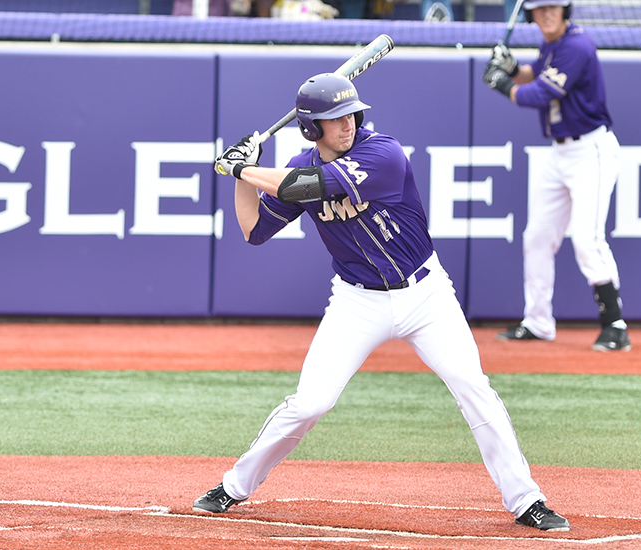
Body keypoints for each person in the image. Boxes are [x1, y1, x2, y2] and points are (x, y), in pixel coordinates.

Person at [193, 73, 570, 532]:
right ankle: (234, 486)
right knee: (310, 403)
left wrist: (240, 168)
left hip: (426, 294)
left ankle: (526, 499)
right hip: (356, 302)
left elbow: (304, 187)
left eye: (351, 113)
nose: (348, 123)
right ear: (312, 128)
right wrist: (245, 176)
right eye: (334, 118)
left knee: (474, 388)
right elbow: (253, 230)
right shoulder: (295, 164)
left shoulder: (383, 153)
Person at [483, 0, 630, 352]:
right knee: (536, 237)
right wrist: (514, 67)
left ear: (566, 10)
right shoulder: (554, 44)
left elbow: (540, 94)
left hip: (590, 150)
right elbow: (537, 73)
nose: (547, 14)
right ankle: (537, 322)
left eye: (553, 7)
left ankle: (615, 325)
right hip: (558, 151)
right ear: (532, 14)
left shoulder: (577, 45)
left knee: (587, 240)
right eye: (539, 9)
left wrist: (502, 83)